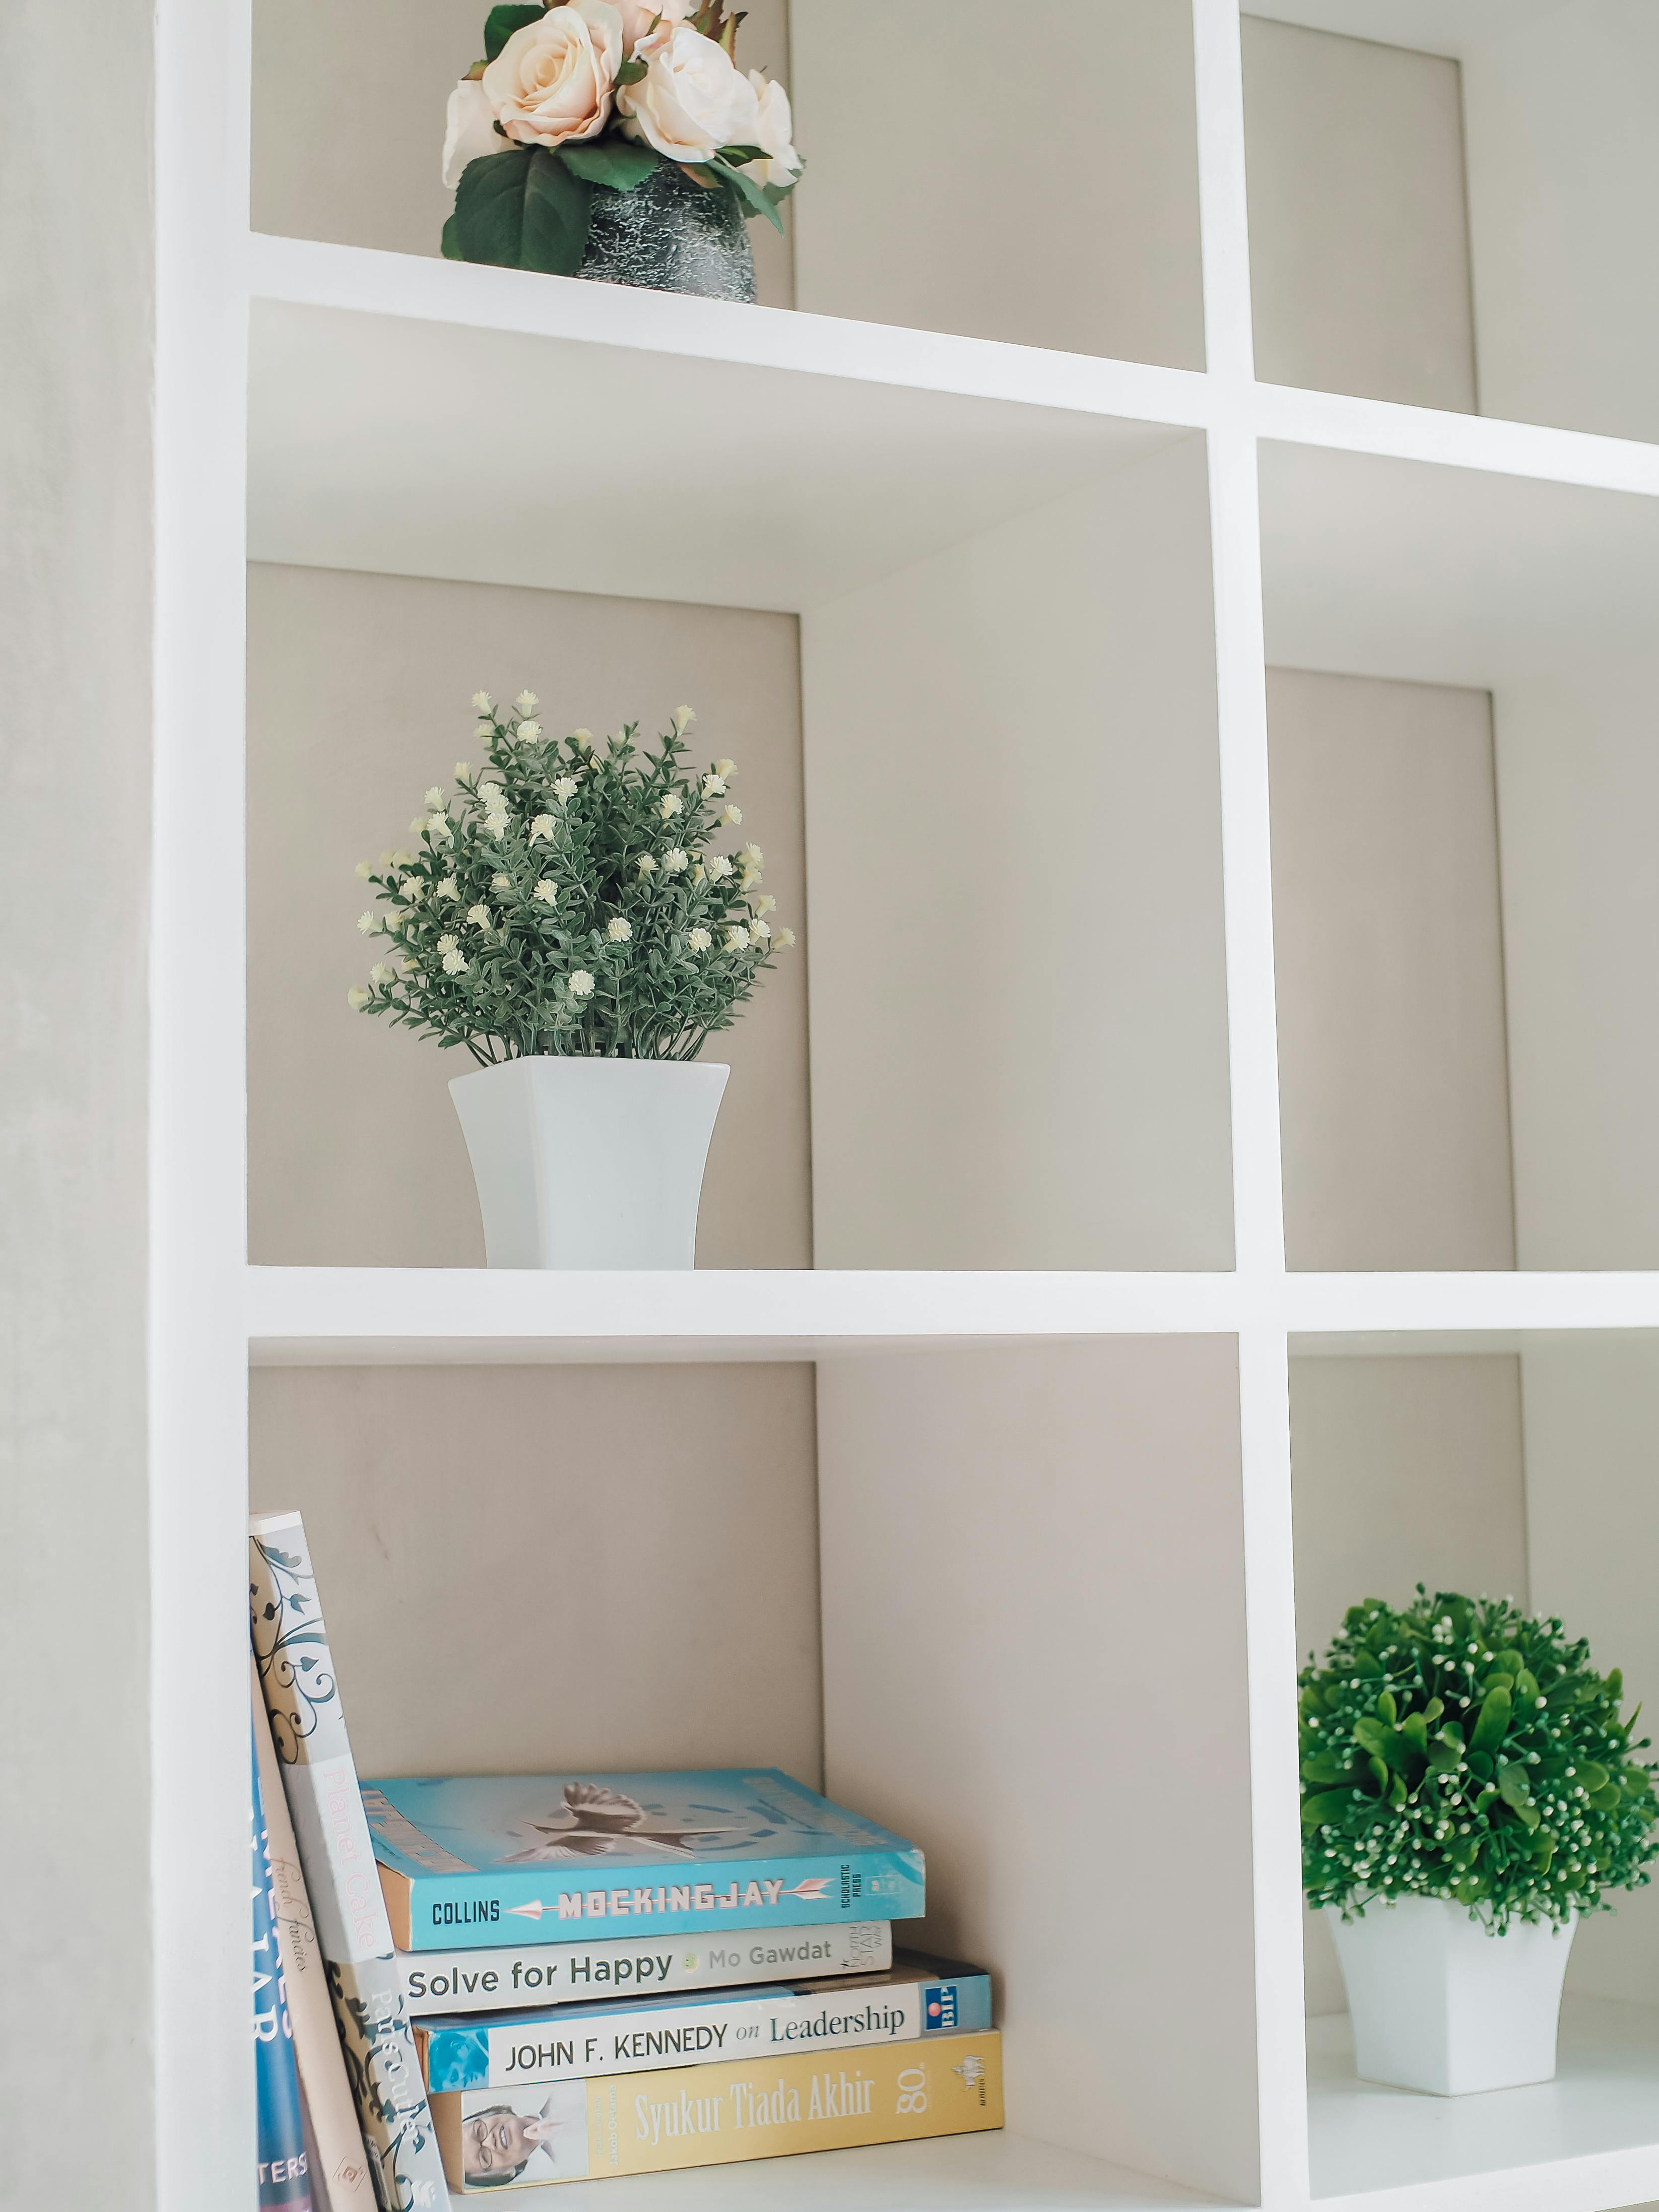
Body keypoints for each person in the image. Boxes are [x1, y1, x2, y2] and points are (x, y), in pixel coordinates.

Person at [461, 2097, 565, 2188]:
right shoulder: (562, 2175)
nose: (490, 2141)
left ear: (490, 2114)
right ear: (505, 2173)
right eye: (484, 2158)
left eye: (479, 2131)